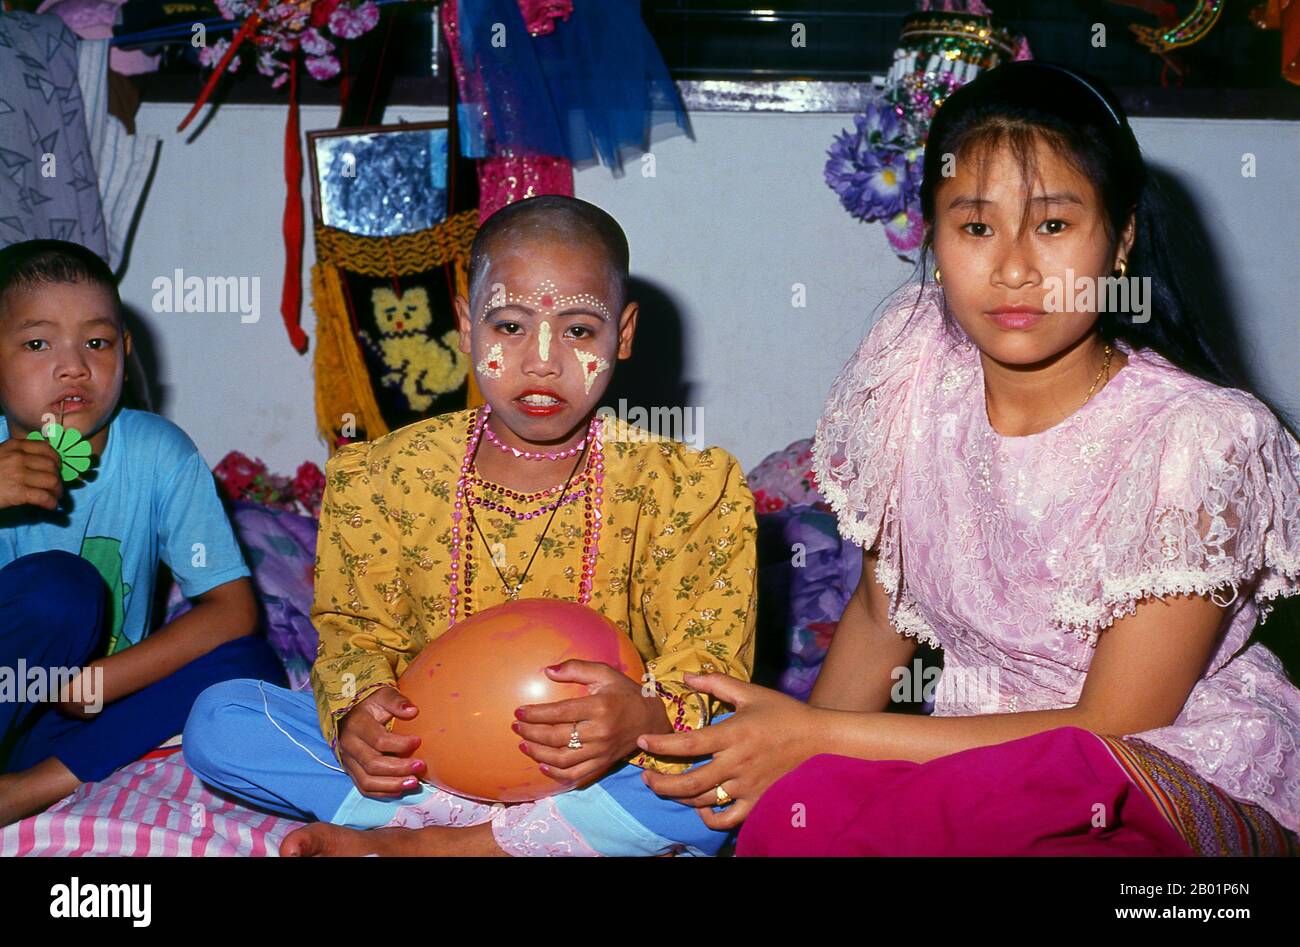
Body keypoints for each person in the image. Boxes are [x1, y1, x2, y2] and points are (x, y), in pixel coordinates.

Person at [637, 61, 1300, 857]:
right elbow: (884, 617)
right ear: (934, 238)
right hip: (971, 763)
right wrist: (788, 754)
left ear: (1121, 238)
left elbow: (1112, 728)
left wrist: (817, 733)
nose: (1014, 268)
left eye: (1053, 225)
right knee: (795, 818)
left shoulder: (1201, 439)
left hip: (1156, 773)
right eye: (976, 227)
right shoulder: (916, 363)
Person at [183, 195, 757, 856]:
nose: (542, 362)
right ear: (465, 324)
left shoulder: (691, 487)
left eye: (578, 330)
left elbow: (709, 663)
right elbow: (354, 631)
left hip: (603, 767)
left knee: (720, 783)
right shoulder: (380, 475)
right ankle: (518, 836)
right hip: (425, 766)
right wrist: (359, 715)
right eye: (510, 326)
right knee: (218, 720)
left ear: (622, 335)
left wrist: (642, 718)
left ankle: (432, 846)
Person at [0, 239, 285, 827]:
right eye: (36, 343)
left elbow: (231, 610)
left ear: (126, 354)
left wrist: (104, 681)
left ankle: (28, 789)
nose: (73, 364)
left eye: (97, 342)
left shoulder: (160, 453)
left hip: (72, 719)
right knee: (63, 588)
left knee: (251, 666)